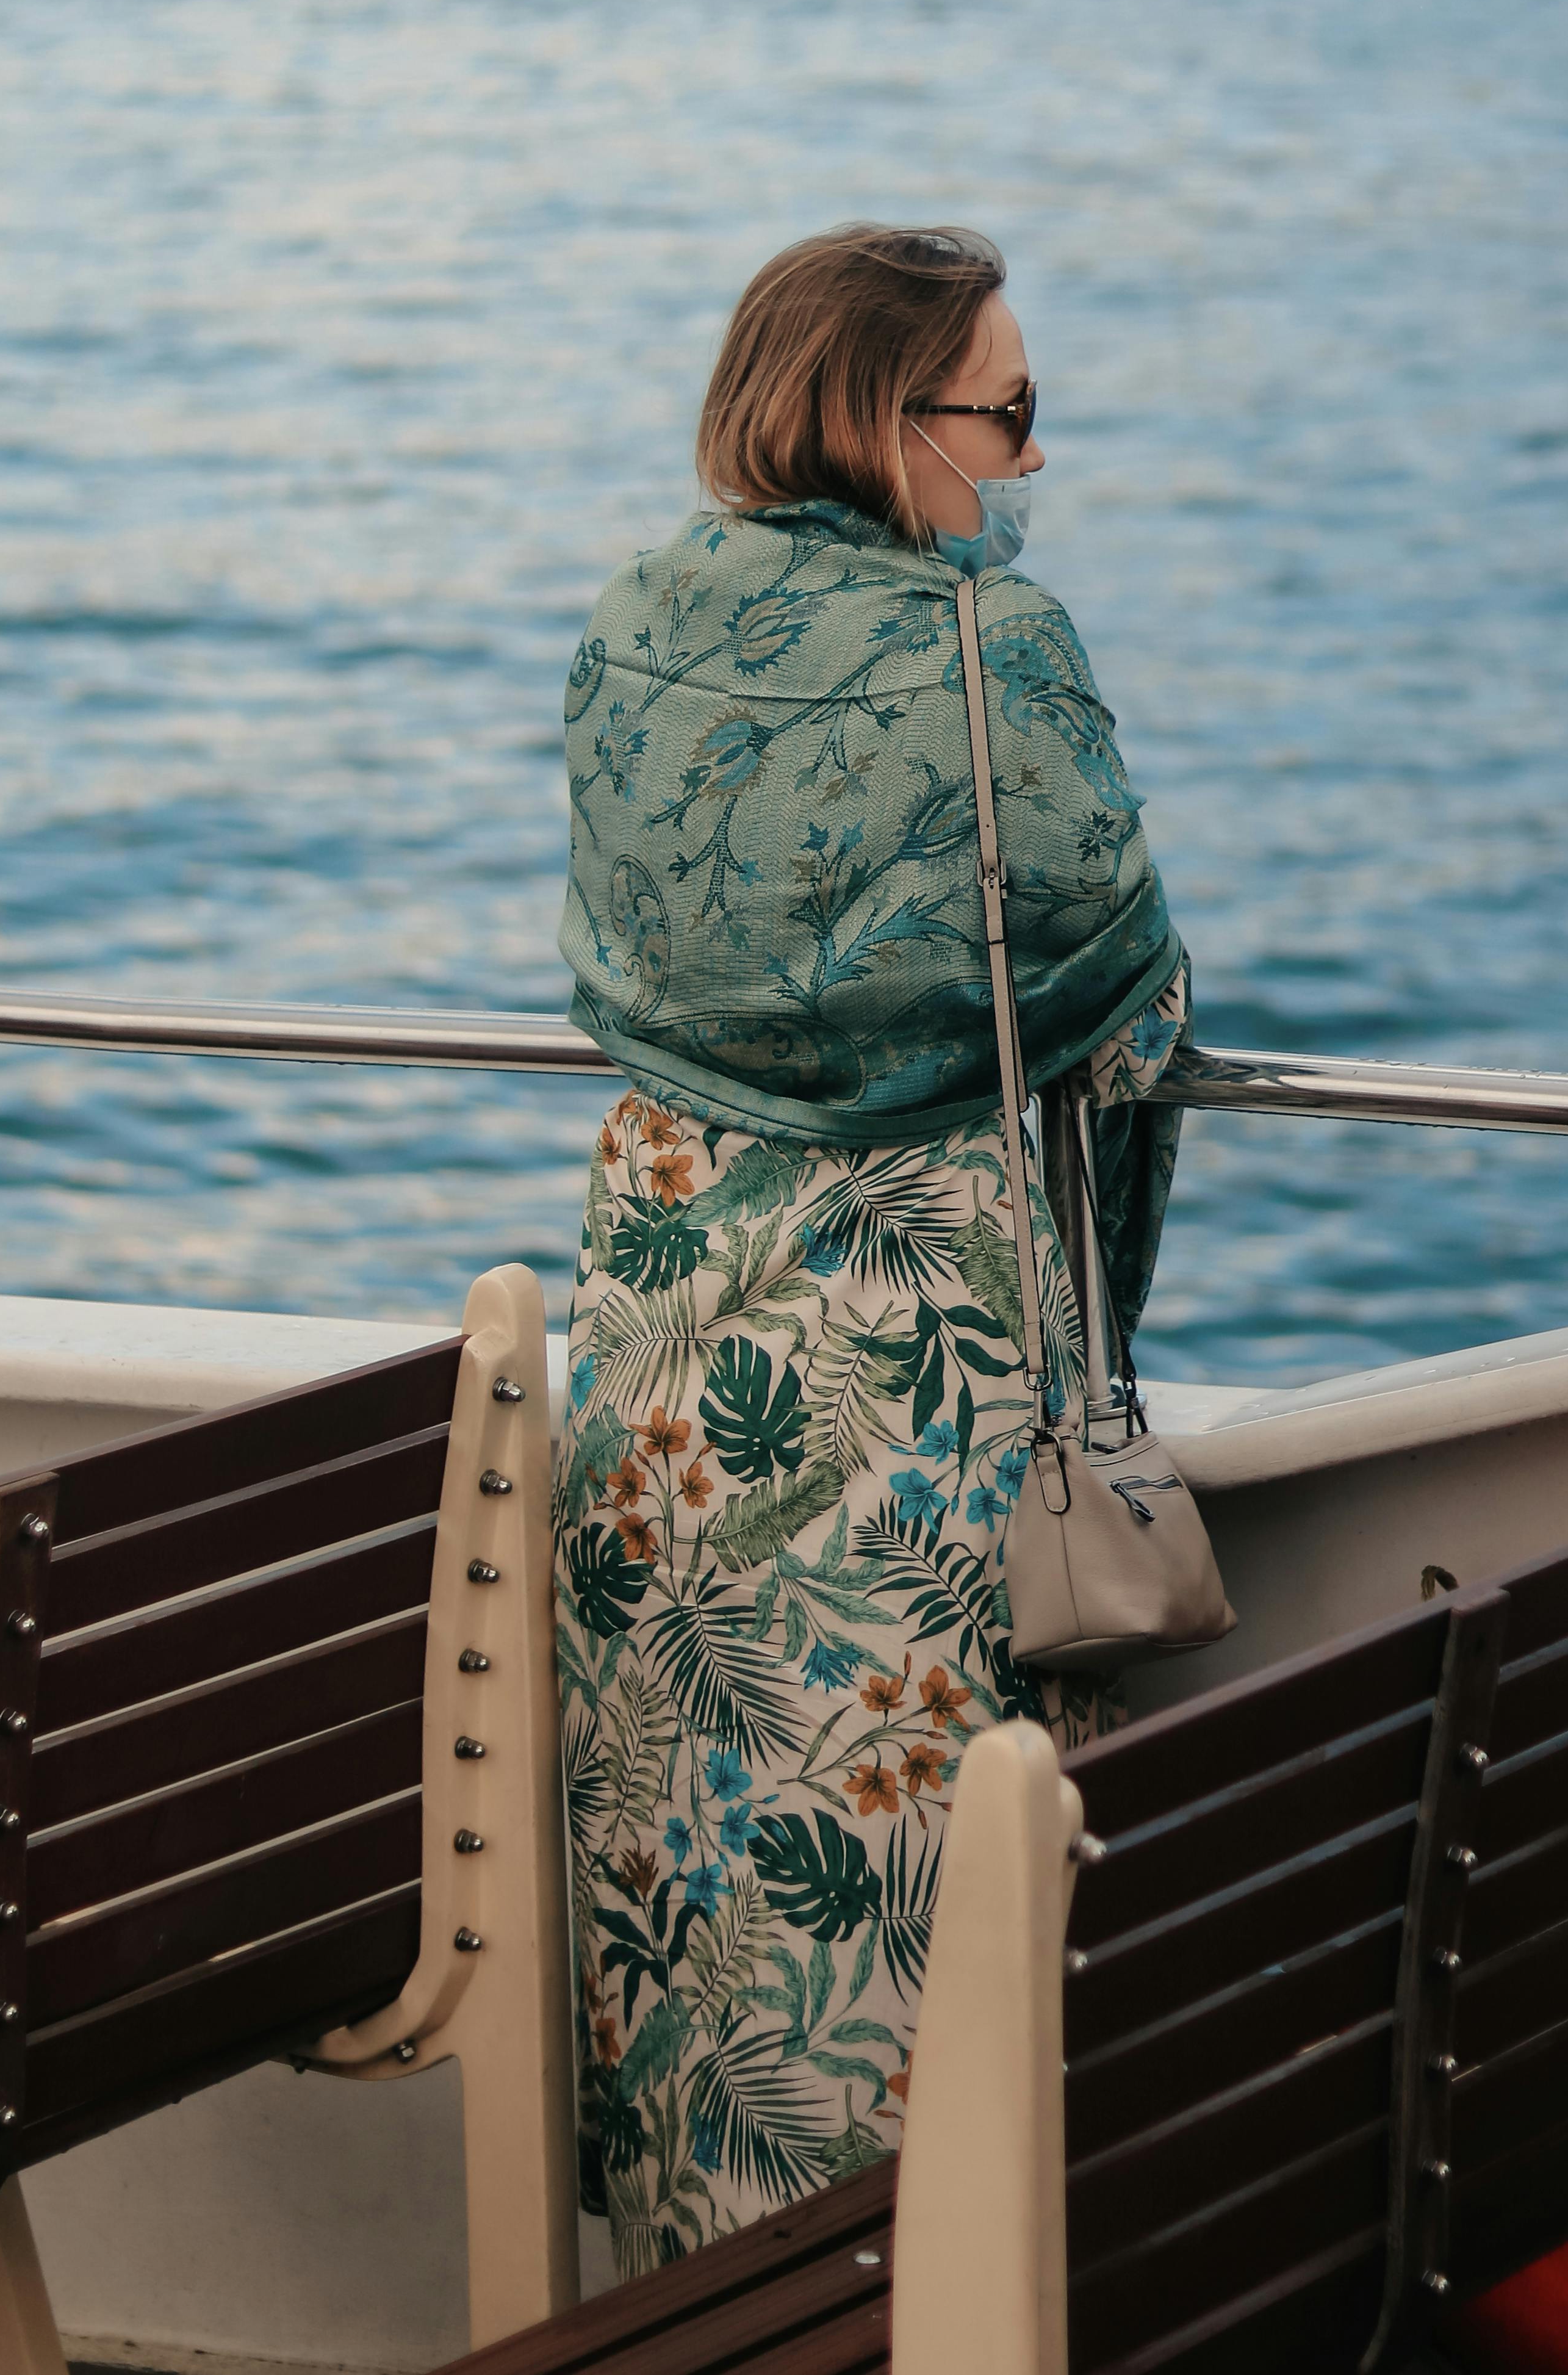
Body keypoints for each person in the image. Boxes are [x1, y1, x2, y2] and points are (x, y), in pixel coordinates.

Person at [553, 223, 1190, 2269]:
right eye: (1005, 416)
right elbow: (1123, 983)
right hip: (889, 1397)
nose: (1022, 468)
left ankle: (697, 2305)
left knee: (687, 1918)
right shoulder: (990, 650)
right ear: (873, 415)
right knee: (915, 1940)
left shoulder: (637, 621)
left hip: (650, 1380)